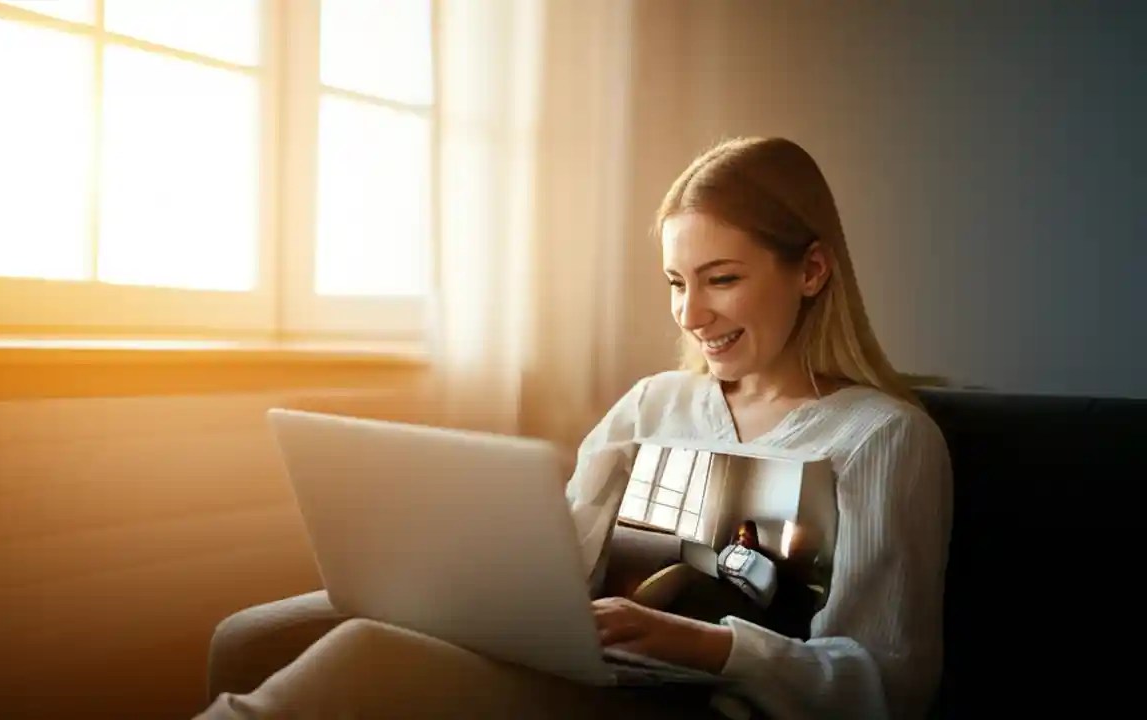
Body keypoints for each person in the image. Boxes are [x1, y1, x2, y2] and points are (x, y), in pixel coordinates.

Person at [195, 136, 954, 719]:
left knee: (365, 662)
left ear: (812, 271)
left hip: (699, 708)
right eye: (676, 284)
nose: (691, 316)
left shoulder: (882, 439)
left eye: (722, 279)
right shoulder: (654, 404)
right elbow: (558, 570)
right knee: (322, 642)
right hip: (592, 679)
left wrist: (706, 644)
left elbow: (886, 684)